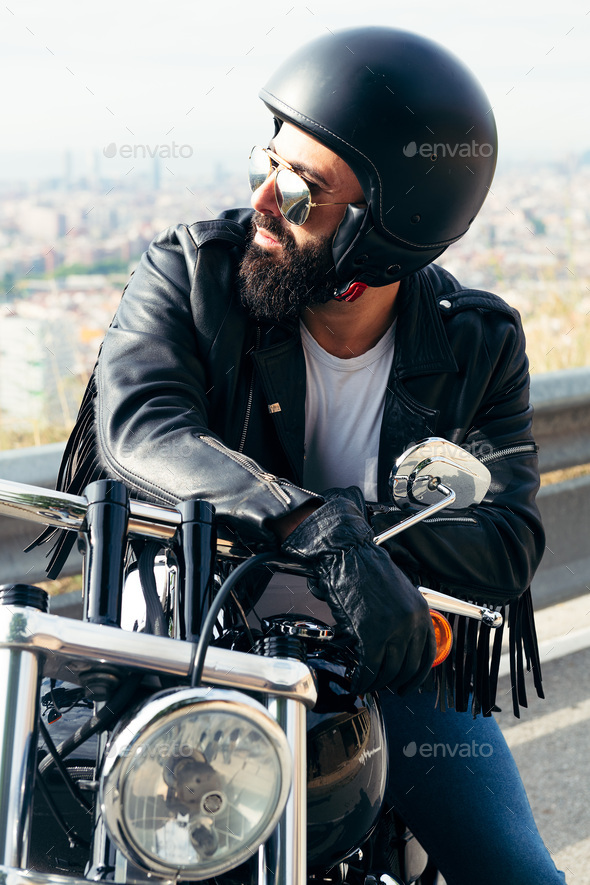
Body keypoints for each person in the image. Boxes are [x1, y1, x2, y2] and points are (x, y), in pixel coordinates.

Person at [40, 27, 566, 884]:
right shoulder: (189, 273)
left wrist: (361, 531)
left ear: (386, 234)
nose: (264, 201)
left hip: (387, 667)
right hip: (188, 642)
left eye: (301, 190)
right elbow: (141, 428)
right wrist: (315, 524)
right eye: (266, 165)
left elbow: (506, 538)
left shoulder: (479, 342)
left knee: (518, 874)